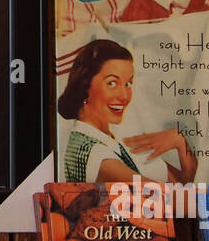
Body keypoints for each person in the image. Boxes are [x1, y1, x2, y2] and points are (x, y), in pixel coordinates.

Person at [56, 39, 198, 185]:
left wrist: (179, 139)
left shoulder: (107, 140)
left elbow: (183, 184)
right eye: (112, 83)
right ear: (84, 87)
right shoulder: (97, 155)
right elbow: (181, 199)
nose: (124, 96)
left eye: (128, 83)